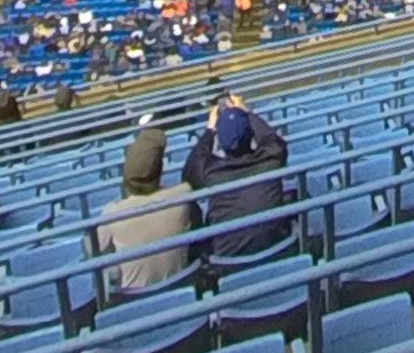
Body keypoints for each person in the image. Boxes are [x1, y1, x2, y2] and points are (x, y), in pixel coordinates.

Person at [182, 96, 293, 257]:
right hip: (277, 255)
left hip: (229, 266)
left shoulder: (212, 173)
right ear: (250, 134)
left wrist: (209, 131)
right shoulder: (271, 159)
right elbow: (271, 139)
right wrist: (246, 112)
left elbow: (189, 174)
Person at [95, 125, 194, 291]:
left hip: (134, 302)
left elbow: (93, 249)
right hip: (181, 293)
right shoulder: (183, 195)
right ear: (160, 169)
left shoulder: (113, 213)